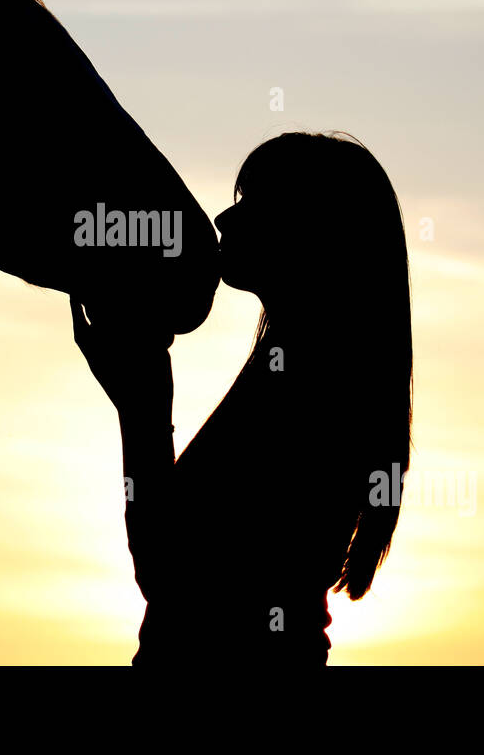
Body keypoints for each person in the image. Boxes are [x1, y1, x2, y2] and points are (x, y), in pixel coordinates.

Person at [71, 131, 413, 665]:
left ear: (311, 229)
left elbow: (170, 575)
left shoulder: (310, 389)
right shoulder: (310, 374)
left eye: (253, 204)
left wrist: (143, 402)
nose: (224, 220)